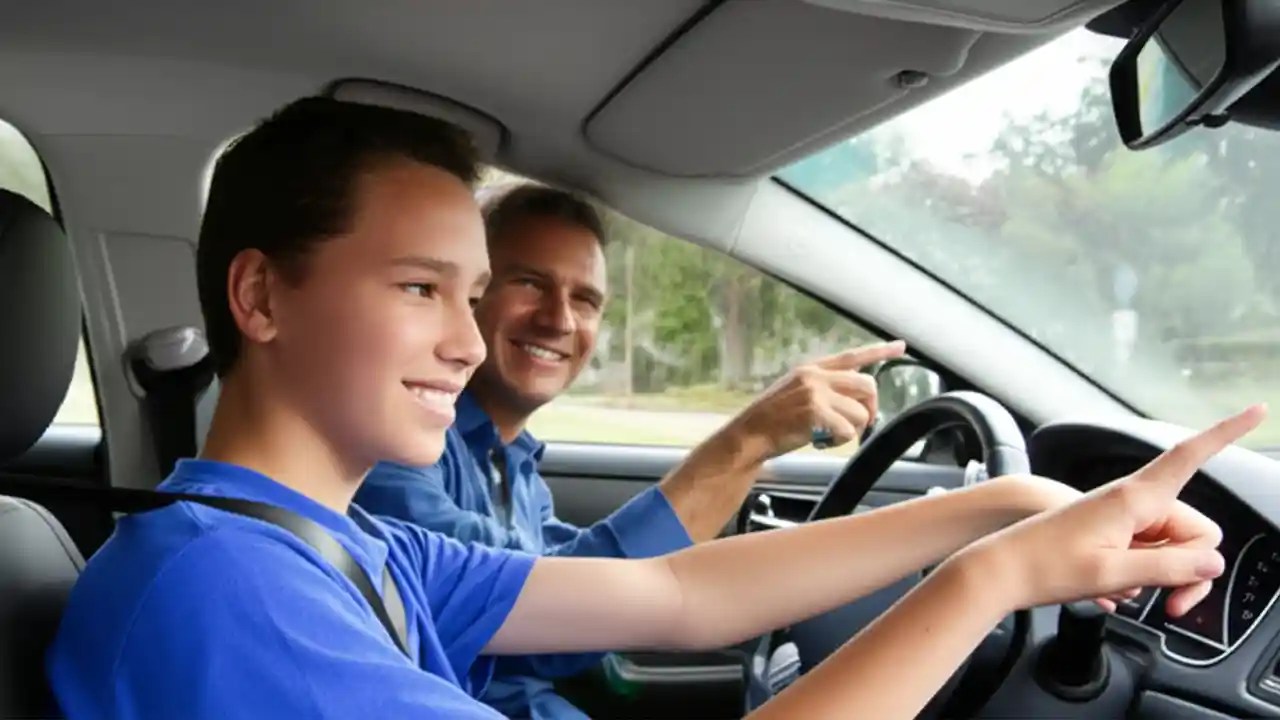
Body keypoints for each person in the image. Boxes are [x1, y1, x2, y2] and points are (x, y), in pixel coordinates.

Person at [47, 95, 1264, 720]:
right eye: (420, 288)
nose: (469, 340)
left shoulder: (337, 546)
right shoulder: (225, 595)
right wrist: (991, 581)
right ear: (261, 294)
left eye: (471, 294)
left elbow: (675, 596)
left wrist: (1005, 507)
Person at [355, 183, 903, 717]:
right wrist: (746, 440)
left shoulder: (514, 465)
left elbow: (597, 581)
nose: (559, 319)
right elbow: (559, 611)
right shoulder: (394, 453)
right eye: (529, 283)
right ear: (473, 292)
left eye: (585, 300)